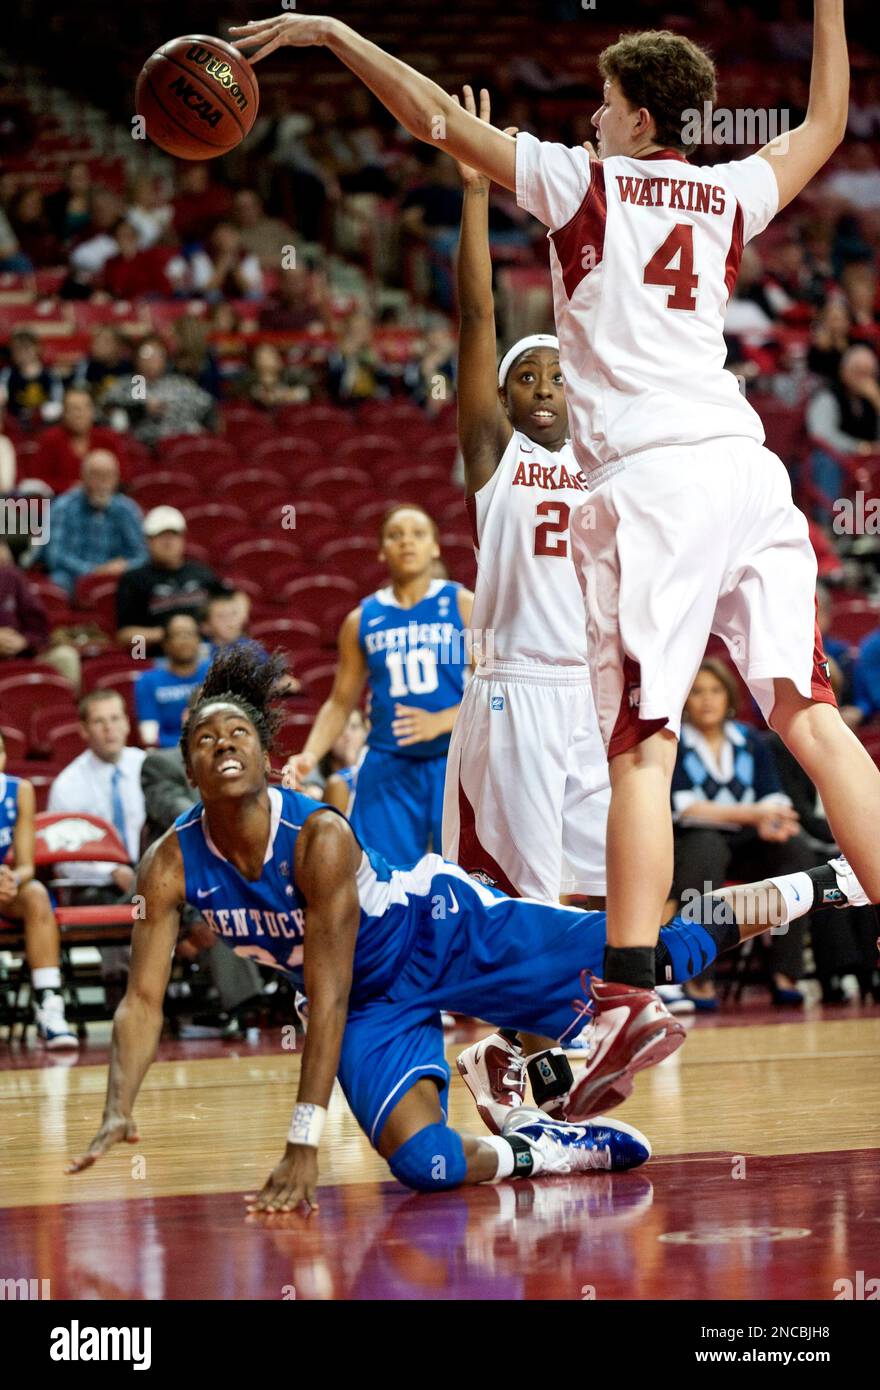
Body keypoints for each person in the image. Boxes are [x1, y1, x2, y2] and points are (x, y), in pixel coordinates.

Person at [229, 5, 880, 1123]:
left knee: (643, 741)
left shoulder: (587, 180)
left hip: (655, 485)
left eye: (599, 101)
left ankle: (627, 989)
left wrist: (333, 35)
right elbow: (826, 117)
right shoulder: (727, 192)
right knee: (814, 720)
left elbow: (433, 118)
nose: (588, 114)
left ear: (632, 115)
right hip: (747, 466)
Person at [67, 644, 871, 1205]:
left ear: (268, 754)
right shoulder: (169, 864)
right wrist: (116, 1104)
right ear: (186, 762)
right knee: (428, 1166)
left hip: (444, 932)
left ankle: (825, 880)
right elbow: (141, 1003)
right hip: (371, 1001)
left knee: (647, 958)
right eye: (203, 738)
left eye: (237, 731)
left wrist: (305, 1137)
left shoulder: (316, 837)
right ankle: (544, 1149)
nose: (221, 745)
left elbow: (328, 986)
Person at [441, 87, 612, 1103]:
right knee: (526, 889)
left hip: (583, 696)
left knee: (607, 877)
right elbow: (475, 314)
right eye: (530, 376)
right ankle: (517, 1056)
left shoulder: (602, 464)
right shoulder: (494, 460)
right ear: (502, 400)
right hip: (511, 692)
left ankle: (568, 1031)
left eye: (557, 375)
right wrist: (473, 191)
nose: (549, 385)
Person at [285, 505, 472, 862]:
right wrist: (311, 753)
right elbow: (340, 702)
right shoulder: (361, 620)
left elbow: (496, 680)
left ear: (435, 546)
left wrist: (444, 719)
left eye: (418, 534)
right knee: (385, 878)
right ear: (381, 550)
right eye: (395, 535)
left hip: (454, 761)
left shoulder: (464, 604)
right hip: (389, 764)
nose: (407, 542)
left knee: (462, 875)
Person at [670, 659, 815, 1008]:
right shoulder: (675, 742)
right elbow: (686, 807)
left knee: (794, 851)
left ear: (728, 696)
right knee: (705, 847)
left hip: (749, 843)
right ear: (686, 700)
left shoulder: (749, 740)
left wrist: (775, 822)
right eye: (698, 692)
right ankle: (696, 976)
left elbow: (775, 798)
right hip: (694, 844)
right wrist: (754, 814)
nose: (707, 700)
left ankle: (786, 972)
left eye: (715, 691)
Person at [0, 729, 78, 1048]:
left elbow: (27, 866)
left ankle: (50, 1007)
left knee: (35, 894)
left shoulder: (20, 791)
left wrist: (11, 881)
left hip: (4, 886)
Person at [47, 689, 145, 898]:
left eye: (115, 718)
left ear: (127, 723)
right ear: (84, 730)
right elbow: (63, 856)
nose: (109, 728)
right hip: (96, 884)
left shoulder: (148, 766)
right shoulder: (67, 784)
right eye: (99, 722)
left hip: (150, 871)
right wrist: (111, 871)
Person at [115, 506, 233, 654]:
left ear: (183, 538)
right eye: (161, 536)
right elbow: (125, 636)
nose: (168, 542)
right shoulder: (133, 580)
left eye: (174, 535)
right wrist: (173, 633)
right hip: (159, 658)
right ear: (148, 540)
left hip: (206, 653)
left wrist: (219, 625)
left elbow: (233, 600)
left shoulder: (201, 572)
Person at [45, 449, 147, 596]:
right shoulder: (63, 507)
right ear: (83, 477)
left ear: (117, 479)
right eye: (96, 475)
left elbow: (142, 554)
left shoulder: (128, 509)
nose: (103, 481)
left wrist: (124, 566)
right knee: (58, 582)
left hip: (119, 578)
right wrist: (94, 571)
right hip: (75, 578)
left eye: (108, 475)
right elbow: (55, 556)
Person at [103, 338, 215, 448]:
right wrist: (141, 410)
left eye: (156, 355)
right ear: (136, 359)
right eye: (146, 356)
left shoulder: (181, 383)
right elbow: (107, 415)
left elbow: (208, 407)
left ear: (165, 359)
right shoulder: (123, 386)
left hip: (185, 446)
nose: (151, 361)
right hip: (142, 446)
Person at [0, 539, 81, 688]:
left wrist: (24, 641)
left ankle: (65, 710)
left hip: (22, 655)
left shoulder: (12, 577)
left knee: (65, 657)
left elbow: (40, 629)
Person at [34, 387, 127, 497]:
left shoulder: (109, 439)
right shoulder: (49, 440)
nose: (78, 415)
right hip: (59, 503)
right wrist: (71, 487)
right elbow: (39, 482)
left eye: (84, 408)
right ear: (63, 413)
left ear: (92, 411)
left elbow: (124, 477)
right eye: (73, 409)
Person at [135, 614, 210, 749]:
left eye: (190, 633)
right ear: (165, 643)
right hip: (169, 756)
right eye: (178, 634)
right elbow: (150, 738)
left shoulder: (213, 672)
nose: (185, 639)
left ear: (199, 640)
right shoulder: (148, 681)